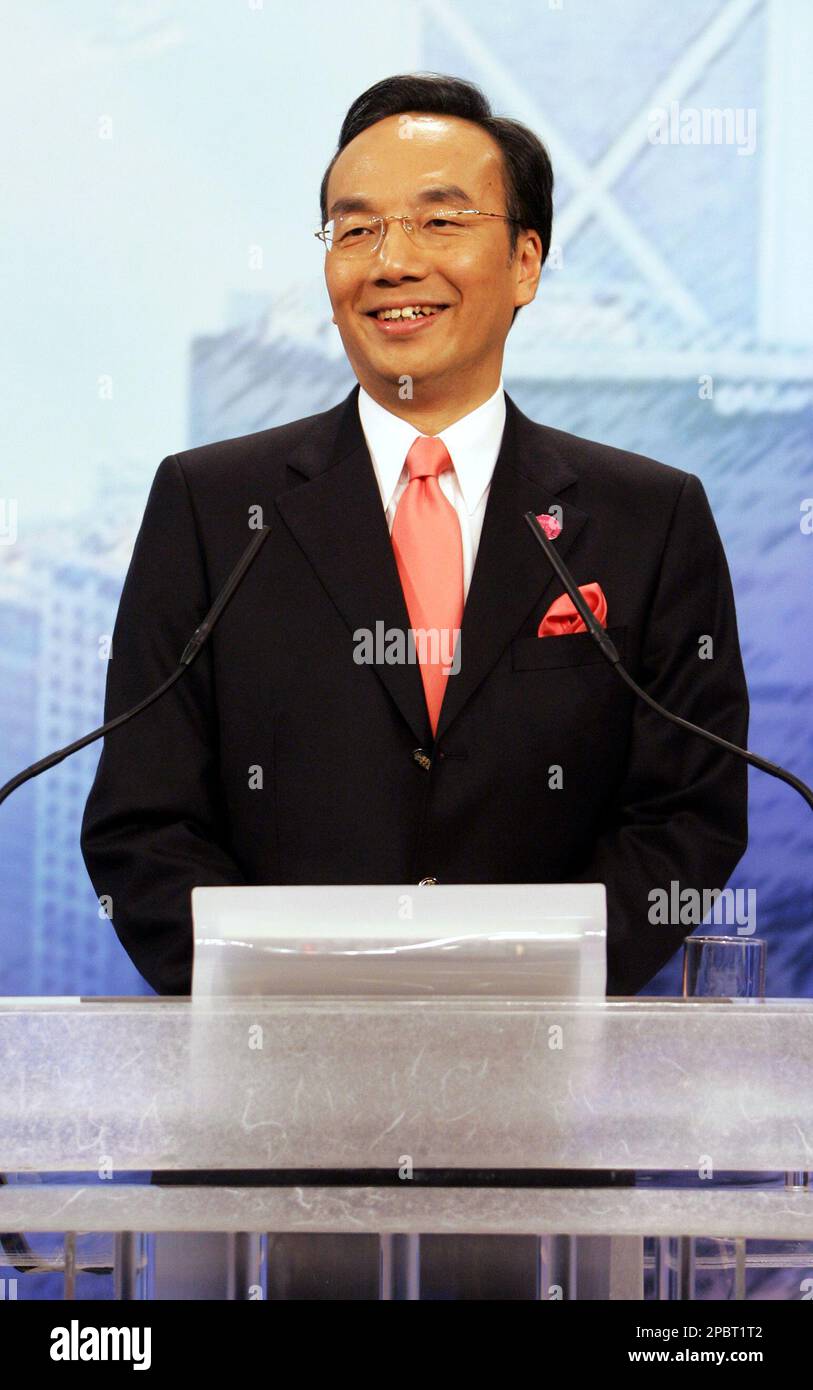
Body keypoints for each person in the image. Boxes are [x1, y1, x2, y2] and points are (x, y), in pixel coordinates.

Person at [80, 73, 749, 1299]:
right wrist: (299, 1025)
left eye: (441, 221)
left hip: (554, 1146)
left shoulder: (647, 522)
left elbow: (689, 822)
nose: (393, 260)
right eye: (355, 226)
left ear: (527, 261)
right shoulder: (209, 509)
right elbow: (140, 829)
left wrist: (506, 1007)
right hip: (264, 1157)